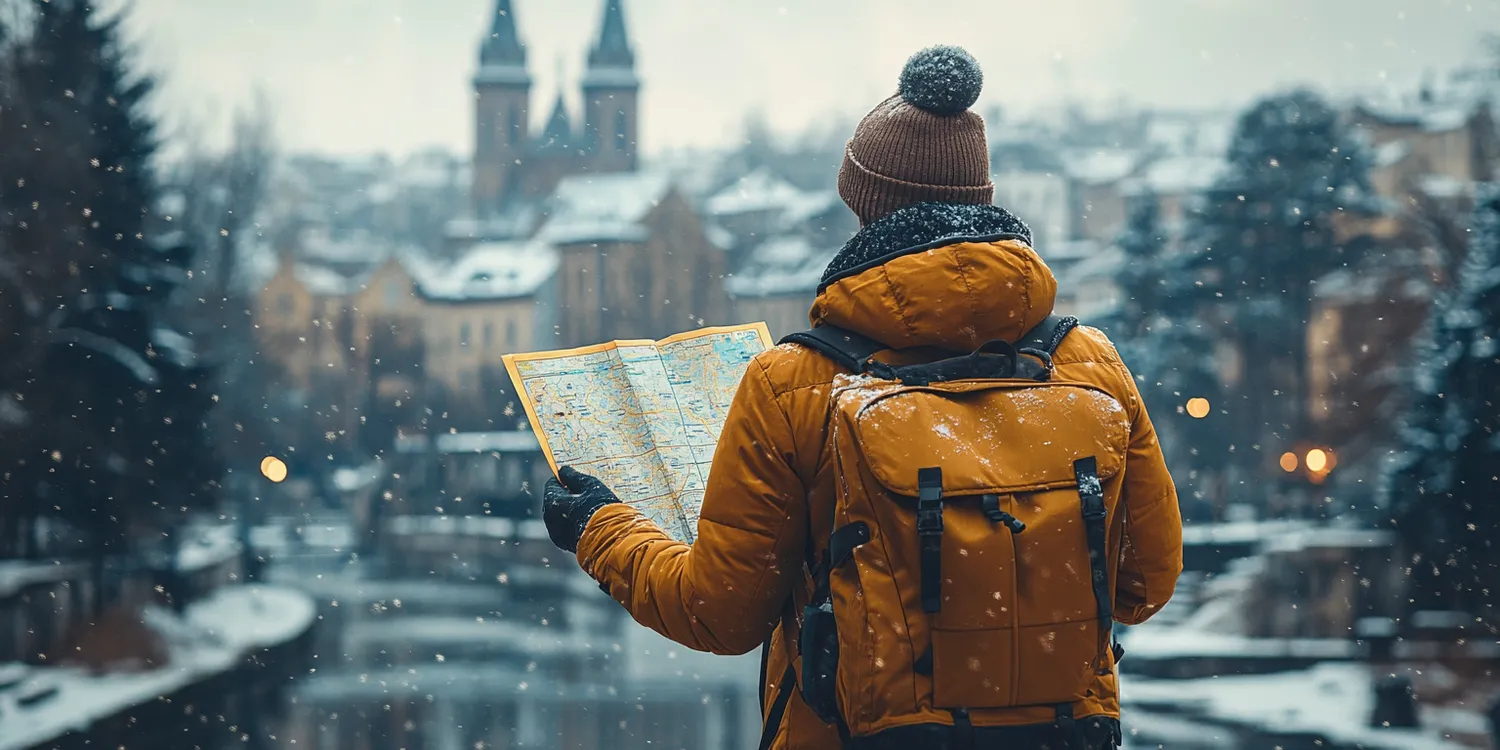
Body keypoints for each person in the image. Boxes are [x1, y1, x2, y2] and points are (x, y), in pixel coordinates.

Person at [542, 45, 1183, 750]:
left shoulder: (792, 383)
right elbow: (1143, 585)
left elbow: (717, 614)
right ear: (984, 199)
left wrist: (600, 528)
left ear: (864, 203)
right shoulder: (1087, 363)